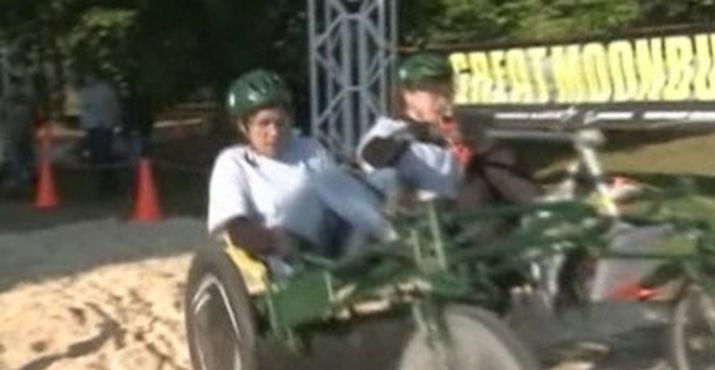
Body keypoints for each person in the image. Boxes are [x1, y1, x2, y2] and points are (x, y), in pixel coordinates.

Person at [207, 69, 390, 267]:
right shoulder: (233, 162)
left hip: (337, 242)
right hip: (290, 252)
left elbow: (342, 198)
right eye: (264, 124)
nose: (274, 132)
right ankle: (390, 235)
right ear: (243, 126)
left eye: (280, 122)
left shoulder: (309, 147)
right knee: (323, 180)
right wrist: (273, 240)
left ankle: (397, 234)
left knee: (387, 177)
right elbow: (237, 231)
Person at [357, 52, 543, 211]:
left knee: (491, 156)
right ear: (408, 95)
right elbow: (372, 156)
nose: (443, 100)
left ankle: (543, 210)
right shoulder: (388, 129)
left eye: (447, 92)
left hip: (474, 205)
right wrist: (421, 133)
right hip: (430, 214)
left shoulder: (459, 125)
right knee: (475, 178)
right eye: (435, 92)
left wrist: (470, 142)